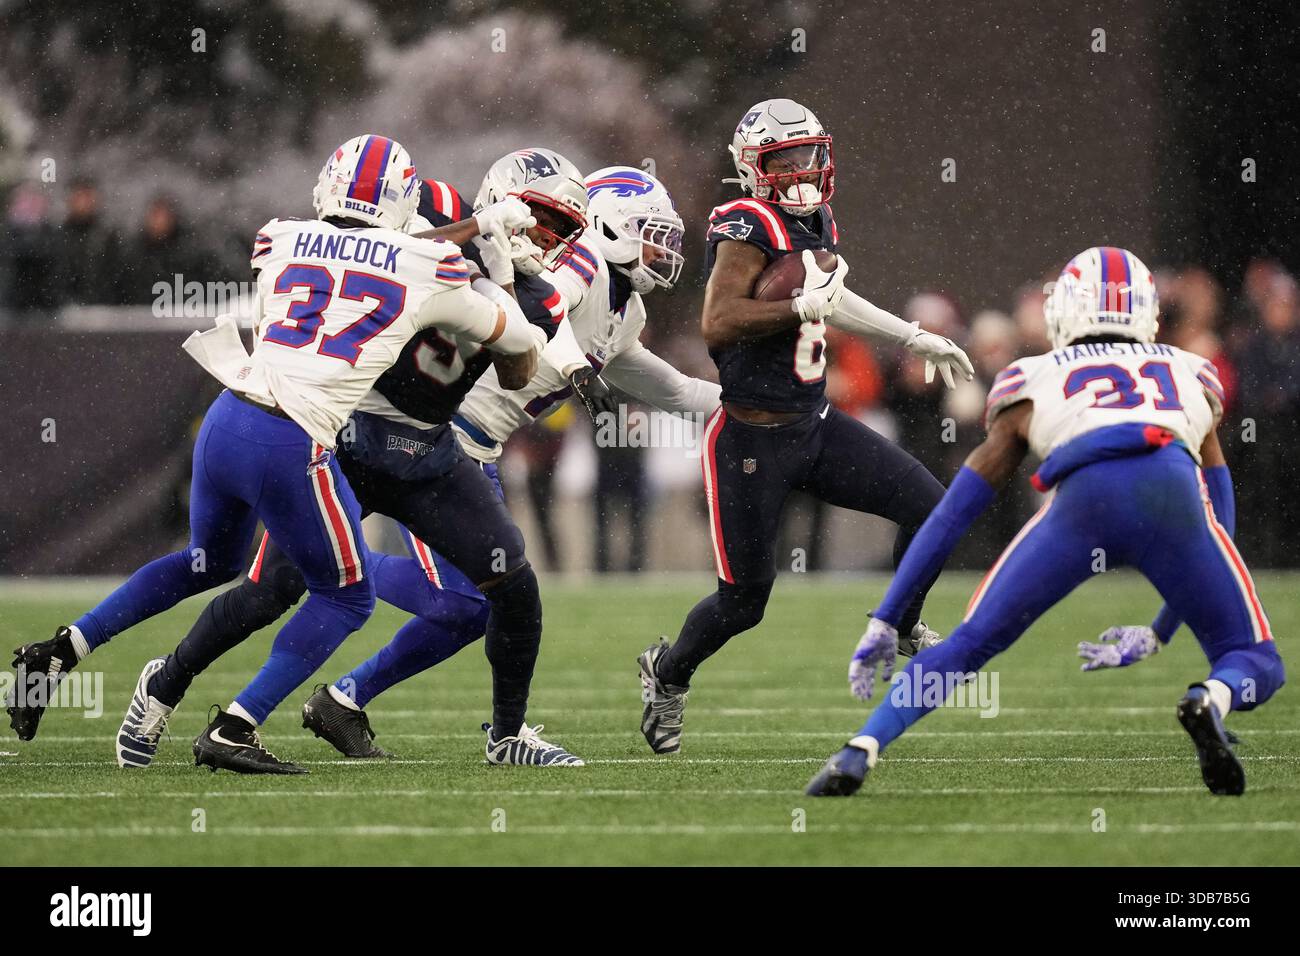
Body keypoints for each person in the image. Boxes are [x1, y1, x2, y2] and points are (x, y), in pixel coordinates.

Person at [6, 134, 544, 773]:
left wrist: (473, 224)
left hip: (226, 418)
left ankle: (64, 648)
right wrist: (500, 258)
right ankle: (236, 727)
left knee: (207, 563)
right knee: (348, 597)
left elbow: (375, 250)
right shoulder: (429, 268)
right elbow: (515, 346)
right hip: (292, 442)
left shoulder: (281, 237)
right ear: (401, 203)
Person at [807, 246, 1285, 798]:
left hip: (1084, 504)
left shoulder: (1033, 375)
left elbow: (953, 511)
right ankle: (1212, 699)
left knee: (968, 645)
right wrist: (1160, 630)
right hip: (1171, 493)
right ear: (1146, 310)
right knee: (1253, 658)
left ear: (1067, 309)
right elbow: (1217, 511)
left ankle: (859, 750)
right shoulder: (1187, 371)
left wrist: (888, 617)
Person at [636, 98, 974, 755]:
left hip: (815, 425)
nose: (801, 171)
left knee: (936, 506)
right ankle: (668, 675)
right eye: (784, 159)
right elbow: (720, 322)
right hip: (750, 437)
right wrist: (798, 305)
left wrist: (912, 337)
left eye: (808, 156)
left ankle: (900, 623)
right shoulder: (744, 224)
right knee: (743, 605)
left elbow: (833, 298)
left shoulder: (815, 218)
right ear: (753, 167)